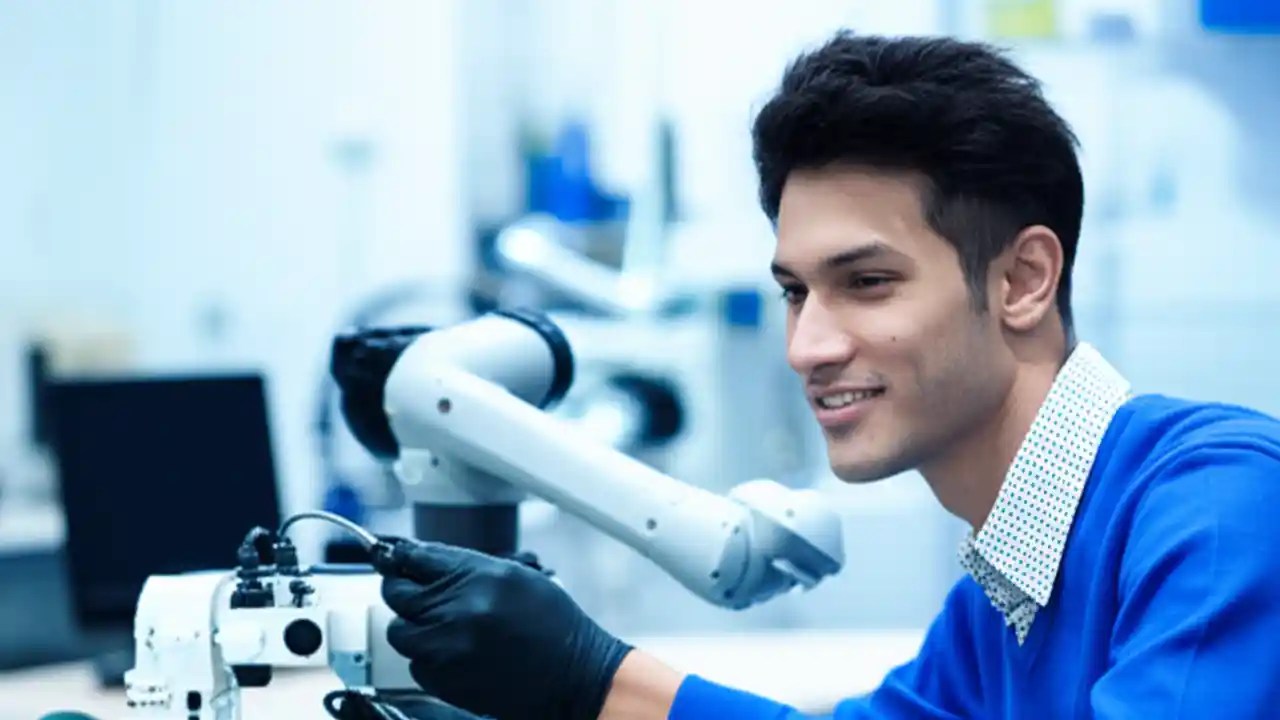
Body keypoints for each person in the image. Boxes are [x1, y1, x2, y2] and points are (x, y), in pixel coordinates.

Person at [375, 30, 1280, 719]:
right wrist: (582, 677)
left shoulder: (1215, 502)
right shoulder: (997, 599)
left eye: (867, 284)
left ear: (1022, 281)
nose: (808, 345)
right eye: (795, 292)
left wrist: (592, 673)